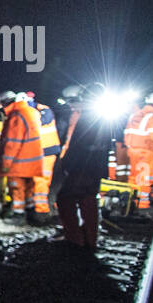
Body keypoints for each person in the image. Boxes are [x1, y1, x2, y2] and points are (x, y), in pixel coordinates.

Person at [56, 83, 110, 252]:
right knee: (89, 200)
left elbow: (78, 146)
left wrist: (67, 164)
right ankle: (90, 239)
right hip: (96, 168)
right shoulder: (104, 117)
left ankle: (75, 239)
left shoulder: (87, 118)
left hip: (82, 168)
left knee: (65, 199)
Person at [0, 90, 43, 223]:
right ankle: (31, 213)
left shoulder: (16, 115)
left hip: (19, 161)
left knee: (17, 188)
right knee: (29, 189)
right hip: (33, 160)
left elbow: (12, 143)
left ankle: (18, 215)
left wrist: (5, 164)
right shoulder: (31, 112)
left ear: (5, 104)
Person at [123, 92, 153, 210]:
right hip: (147, 152)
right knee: (145, 178)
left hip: (132, 150)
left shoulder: (134, 115)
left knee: (134, 177)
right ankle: (143, 204)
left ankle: (131, 202)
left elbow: (126, 134)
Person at [26, 91, 61, 221]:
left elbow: (40, 122)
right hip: (38, 152)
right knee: (36, 181)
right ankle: (38, 209)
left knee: (41, 181)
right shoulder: (35, 111)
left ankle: (42, 212)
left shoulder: (44, 111)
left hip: (47, 151)